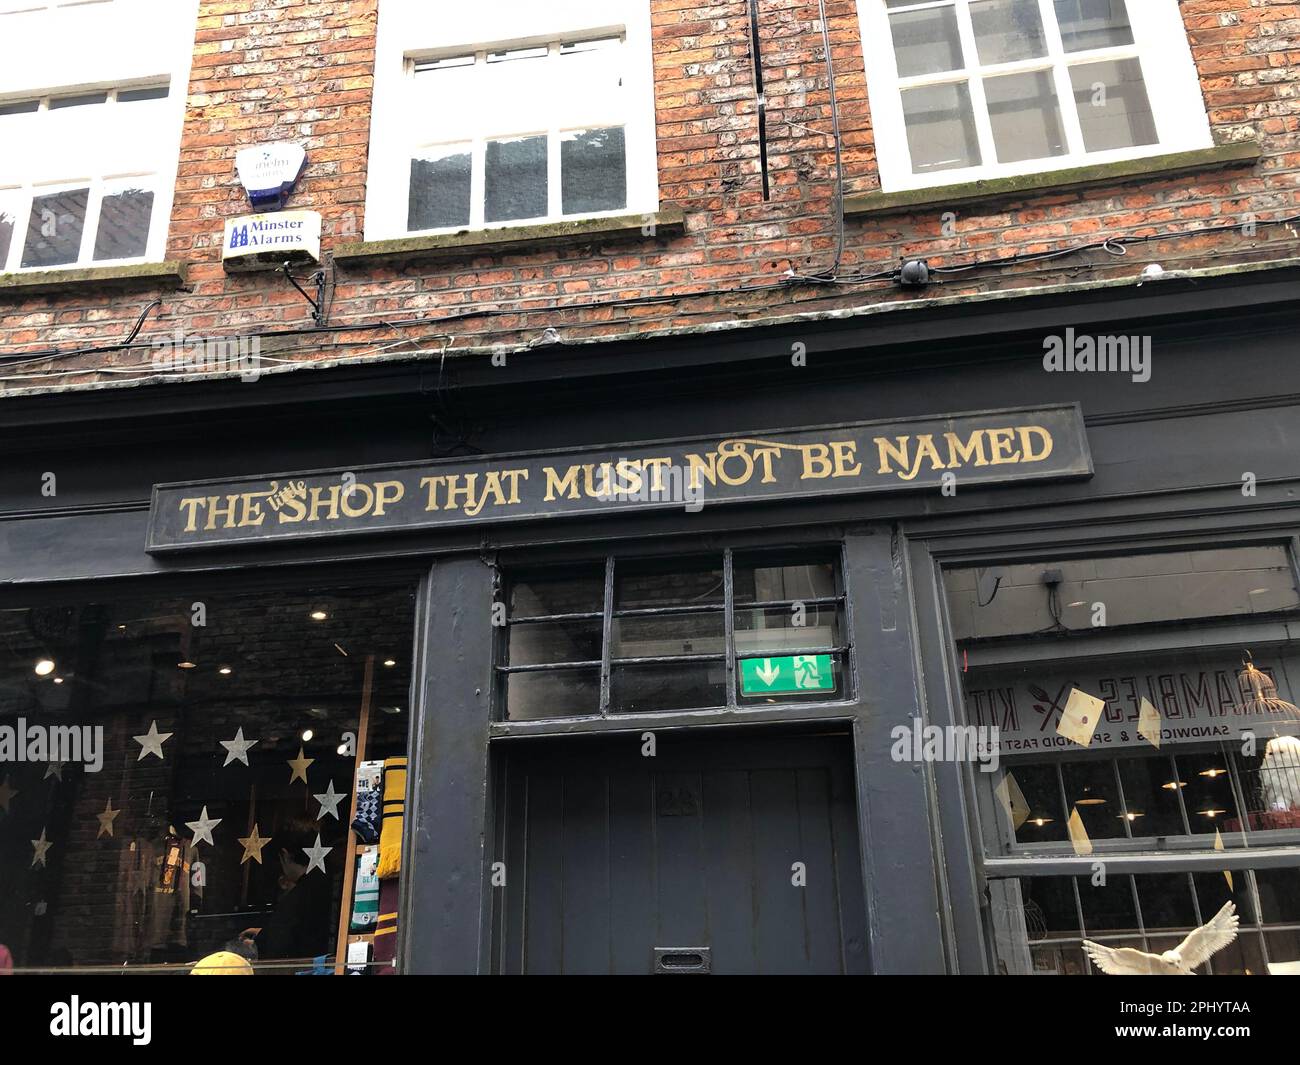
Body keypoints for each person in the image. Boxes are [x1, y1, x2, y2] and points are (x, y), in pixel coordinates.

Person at [240, 819, 332, 962]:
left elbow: (282, 945)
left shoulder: (297, 897)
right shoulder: (327, 884)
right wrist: (263, 934)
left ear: (285, 855)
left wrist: (257, 943)